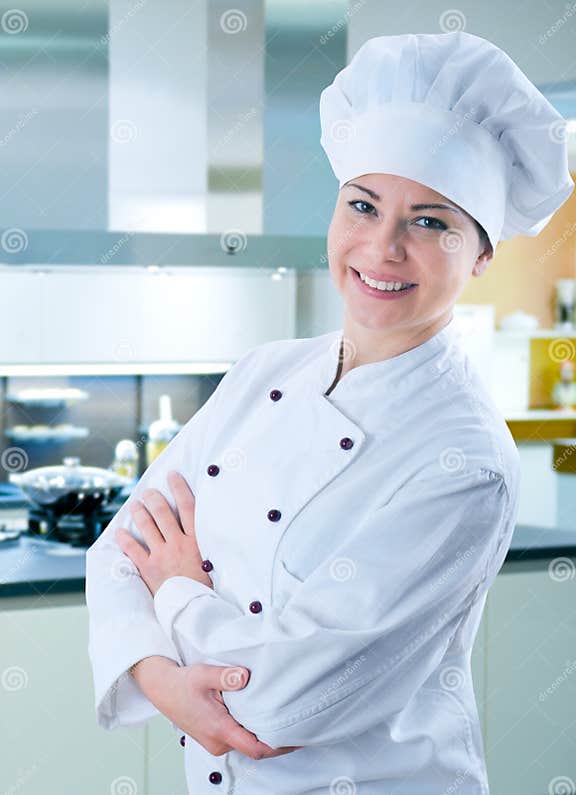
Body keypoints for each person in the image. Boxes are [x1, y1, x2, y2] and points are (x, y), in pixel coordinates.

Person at [85, 31, 574, 794]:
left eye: (430, 221)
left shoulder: (466, 458)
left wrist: (176, 590)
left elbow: (288, 700)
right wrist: (164, 682)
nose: (382, 248)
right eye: (364, 205)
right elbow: (118, 550)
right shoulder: (265, 371)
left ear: (482, 254)